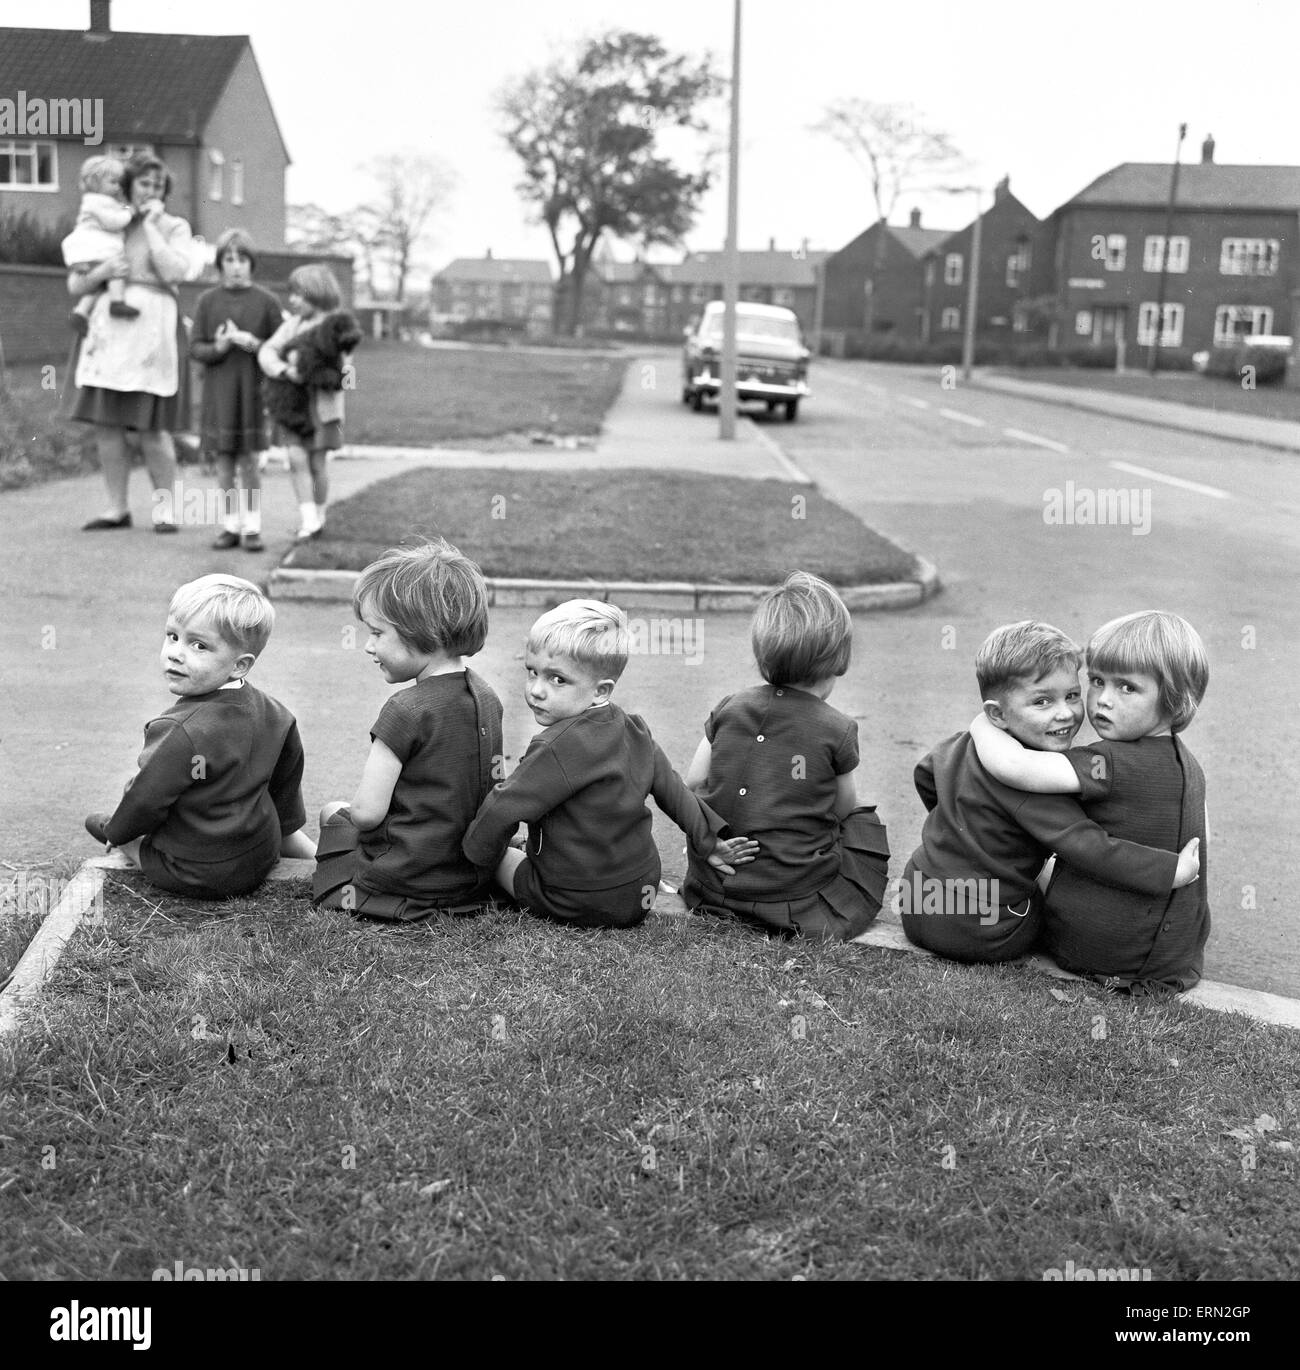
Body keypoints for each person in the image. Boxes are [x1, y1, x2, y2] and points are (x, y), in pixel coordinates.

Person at [901, 620, 1200, 965]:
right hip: (981, 932)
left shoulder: (960, 745)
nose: (1066, 713)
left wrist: (959, 828)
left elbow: (925, 776)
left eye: (1072, 695)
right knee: (1046, 909)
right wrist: (1168, 870)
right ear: (996, 714)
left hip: (916, 900)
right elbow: (1092, 850)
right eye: (1042, 701)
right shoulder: (1036, 784)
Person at [462, 600, 759, 930]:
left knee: (500, 855)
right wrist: (708, 842)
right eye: (532, 671)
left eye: (557, 679)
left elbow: (503, 806)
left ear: (601, 690)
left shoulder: (553, 747)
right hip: (638, 891)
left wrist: (473, 854)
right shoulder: (635, 731)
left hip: (571, 899)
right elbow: (674, 792)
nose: (536, 690)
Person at [969, 611, 1210, 993]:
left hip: (1107, 952)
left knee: (1028, 874)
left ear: (1173, 699)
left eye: (1127, 688)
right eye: (1097, 681)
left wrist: (983, 725)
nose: (1103, 700)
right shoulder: (1189, 765)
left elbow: (1017, 767)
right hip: (1174, 954)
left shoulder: (1107, 761)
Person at [680, 571, 890, 941]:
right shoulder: (837, 728)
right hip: (792, 895)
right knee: (861, 821)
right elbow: (842, 806)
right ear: (838, 658)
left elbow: (694, 783)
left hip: (713, 883)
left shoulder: (730, 706)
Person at [84, 575, 316, 899]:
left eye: (199, 645)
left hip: (199, 871)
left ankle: (119, 838)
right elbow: (286, 777)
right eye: (173, 636)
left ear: (240, 665)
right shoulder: (276, 712)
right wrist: (285, 828)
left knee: (123, 830)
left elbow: (147, 798)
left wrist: (120, 829)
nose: (176, 653)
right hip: (261, 853)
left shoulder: (181, 730)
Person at [312, 540, 504, 921]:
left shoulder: (405, 709)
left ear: (423, 632)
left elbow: (366, 814)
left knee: (333, 812)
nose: (369, 646)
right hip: (468, 874)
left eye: (377, 634)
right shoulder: (487, 696)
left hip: (407, 876)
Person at [68, 153, 195, 534]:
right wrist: (104, 272)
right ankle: (116, 508)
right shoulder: (108, 223)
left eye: (158, 186)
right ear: (129, 185)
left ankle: (165, 510)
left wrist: (152, 225)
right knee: (108, 427)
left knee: (152, 429)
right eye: (144, 183)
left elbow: (176, 270)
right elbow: (76, 284)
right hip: (109, 334)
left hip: (152, 333)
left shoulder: (175, 226)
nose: (152, 191)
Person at [190, 230, 284, 553]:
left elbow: (280, 347)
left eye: (242, 259)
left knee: (249, 461)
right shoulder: (207, 301)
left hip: (253, 393)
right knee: (224, 461)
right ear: (219, 264)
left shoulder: (268, 302)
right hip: (219, 394)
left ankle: (253, 526)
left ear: (252, 264)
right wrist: (219, 345)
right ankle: (230, 525)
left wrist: (254, 343)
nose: (235, 266)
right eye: (228, 259)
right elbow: (196, 349)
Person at [258, 264, 353, 543]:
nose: (293, 300)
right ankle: (309, 520)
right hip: (292, 406)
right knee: (296, 459)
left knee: (317, 463)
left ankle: (320, 515)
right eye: (292, 294)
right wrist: (284, 370)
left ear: (317, 292)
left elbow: (342, 365)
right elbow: (267, 351)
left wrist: (310, 367)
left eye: (299, 294)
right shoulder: (292, 326)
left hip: (323, 409)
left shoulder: (336, 325)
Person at [62, 154, 137, 331]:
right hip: (96, 246)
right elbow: (113, 221)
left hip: (92, 247)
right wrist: (130, 212)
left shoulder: (100, 201)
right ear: (96, 183)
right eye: (113, 182)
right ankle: (117, 302)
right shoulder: (96, 202)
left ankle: (81, 311)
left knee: (99, 285)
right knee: (115, 270)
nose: (118, 187)